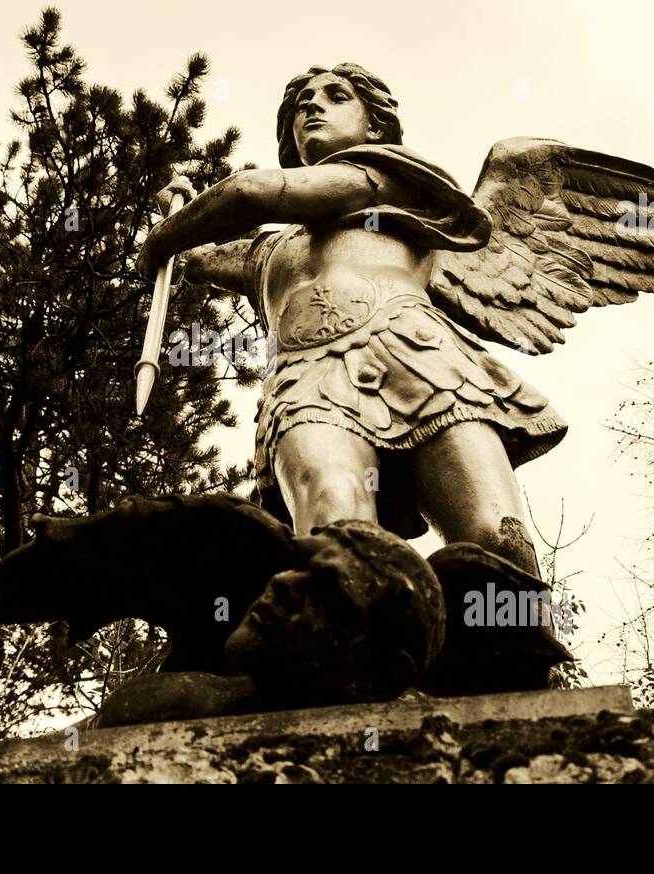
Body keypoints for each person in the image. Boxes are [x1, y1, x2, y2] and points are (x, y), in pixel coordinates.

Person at [136, 63, 566, 577]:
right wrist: (174, 221)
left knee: (497, 545)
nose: (312, 107)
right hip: (307, 386)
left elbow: (247, 194)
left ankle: (510, 653)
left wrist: (167, 237)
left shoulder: (391, 181)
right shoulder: (270, 253)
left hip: (421, 360)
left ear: (376, 126)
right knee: (335, 543)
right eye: (301, 105)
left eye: (335, 96)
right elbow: (195, 256)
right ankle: (358, 649)